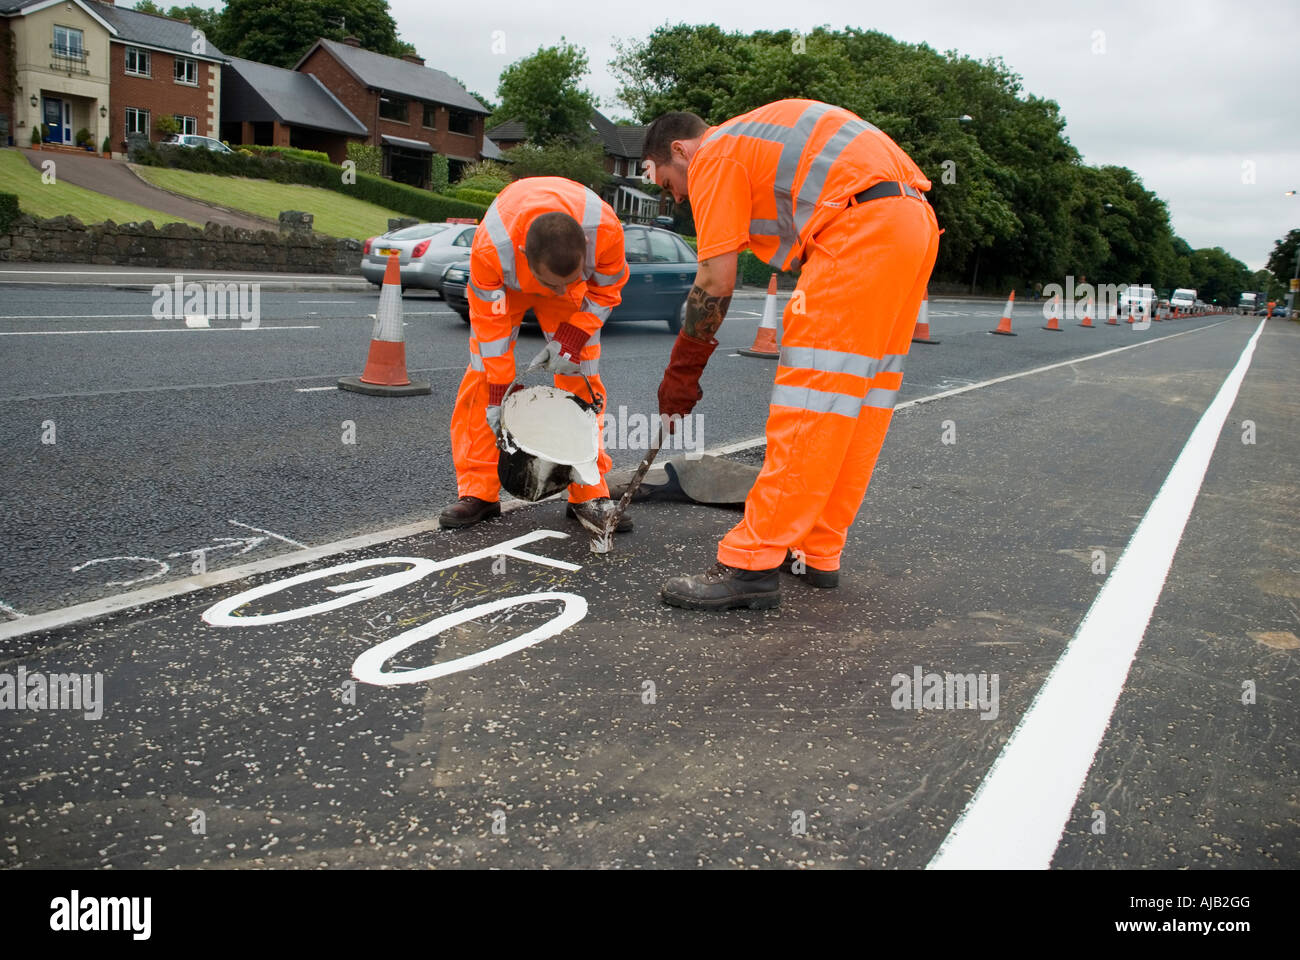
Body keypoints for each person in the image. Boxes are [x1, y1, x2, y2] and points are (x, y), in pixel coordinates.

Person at [642, 100, 940, 610]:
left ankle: (750, 565)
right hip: (911, 225)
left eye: (671, 184)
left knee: (811, 403)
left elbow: (715, 278)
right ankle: (816, 549)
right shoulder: (752, 138)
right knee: (859, 405)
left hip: (857, 232)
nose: (679, 197)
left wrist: (683, 372)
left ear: (679, 150)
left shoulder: (713, 154)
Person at [439, 176, 632, 533]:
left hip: (570, 288)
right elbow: (491, 334)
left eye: (566, 281)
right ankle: (478, 492)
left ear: (586, 247)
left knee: (582, 381)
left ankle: (588, 493)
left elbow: (607, 291)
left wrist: (572, 338)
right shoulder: (491, 249)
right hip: (507, 287)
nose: (557, 291)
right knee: (483, 376)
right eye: (551, 284)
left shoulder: (606, 232)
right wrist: (499, 396)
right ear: (524, 255)